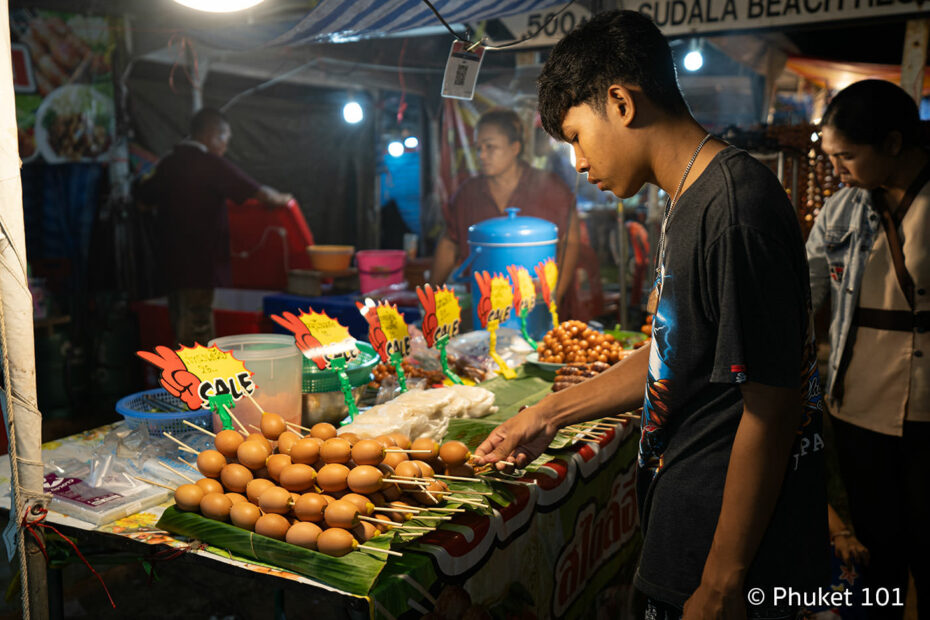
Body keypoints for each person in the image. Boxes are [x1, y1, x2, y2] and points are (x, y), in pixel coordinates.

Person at [473, 10, 828, 618]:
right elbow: (677, 352)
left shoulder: (734, 209)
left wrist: (721, 583)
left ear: (621, 102)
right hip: (689, 535)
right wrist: (548, 413)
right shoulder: (690, 197)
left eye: (577, 136)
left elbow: (773, 410)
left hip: (730, 564)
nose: (579, 163)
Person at [806, 79, 929, 619]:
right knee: (879, 543)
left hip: (927, 407)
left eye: (849, 156)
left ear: (895, 144)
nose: (838, 169)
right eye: (832, 157)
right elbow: (804, 285)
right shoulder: (842, 210)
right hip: (857, 404)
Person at [136, 107, 293, 346]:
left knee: (178, 327)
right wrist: (285, 199)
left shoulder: (169, 163)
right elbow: (261, 194)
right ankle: (197, 382)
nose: (225, 148)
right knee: (197, 334)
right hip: (199, 267)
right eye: (225, 140)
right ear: (212, 135)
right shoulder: (210, 164)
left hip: (169, 267)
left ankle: (175, 380)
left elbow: (143, 200)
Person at [430, 108, 584, 315]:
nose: (482, 155)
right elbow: (450, 243)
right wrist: (429, 297)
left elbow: (570, 243)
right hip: (485, 312)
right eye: (478, 148)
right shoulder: (467, 193)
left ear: (515, 148)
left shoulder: (550, 188)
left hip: (540, 309)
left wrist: (552, 298)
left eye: (490, 147)